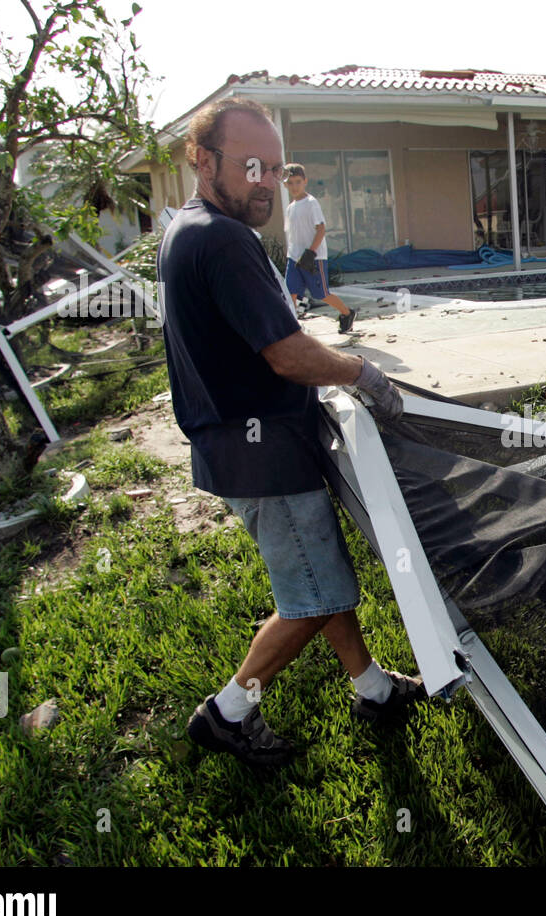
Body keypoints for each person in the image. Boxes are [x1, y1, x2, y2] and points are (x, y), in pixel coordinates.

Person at [157, 96, 419, 770]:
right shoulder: (221, 238)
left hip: (239, 449)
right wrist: (363, 373)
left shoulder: (188, 228)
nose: (266, 183)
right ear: (202, 158)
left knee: (315, 576)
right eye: (252, 167)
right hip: (262, 456)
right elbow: (286, 352)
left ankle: (373, 689)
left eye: (274, 169)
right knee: (315, 595)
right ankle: (228, 713)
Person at [283, 163, 359, 333]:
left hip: (313, 258)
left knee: (321, 293)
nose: (294, 186)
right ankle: (292, 329)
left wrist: (310, 252)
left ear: (305, 182)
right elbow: (293, 235)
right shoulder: (289, 208)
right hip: (294, 258)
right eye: (290, 183)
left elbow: (321, 228)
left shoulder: (311, 203)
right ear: (285, 185)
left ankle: (347, 314)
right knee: (291, 294)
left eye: (297, 182)